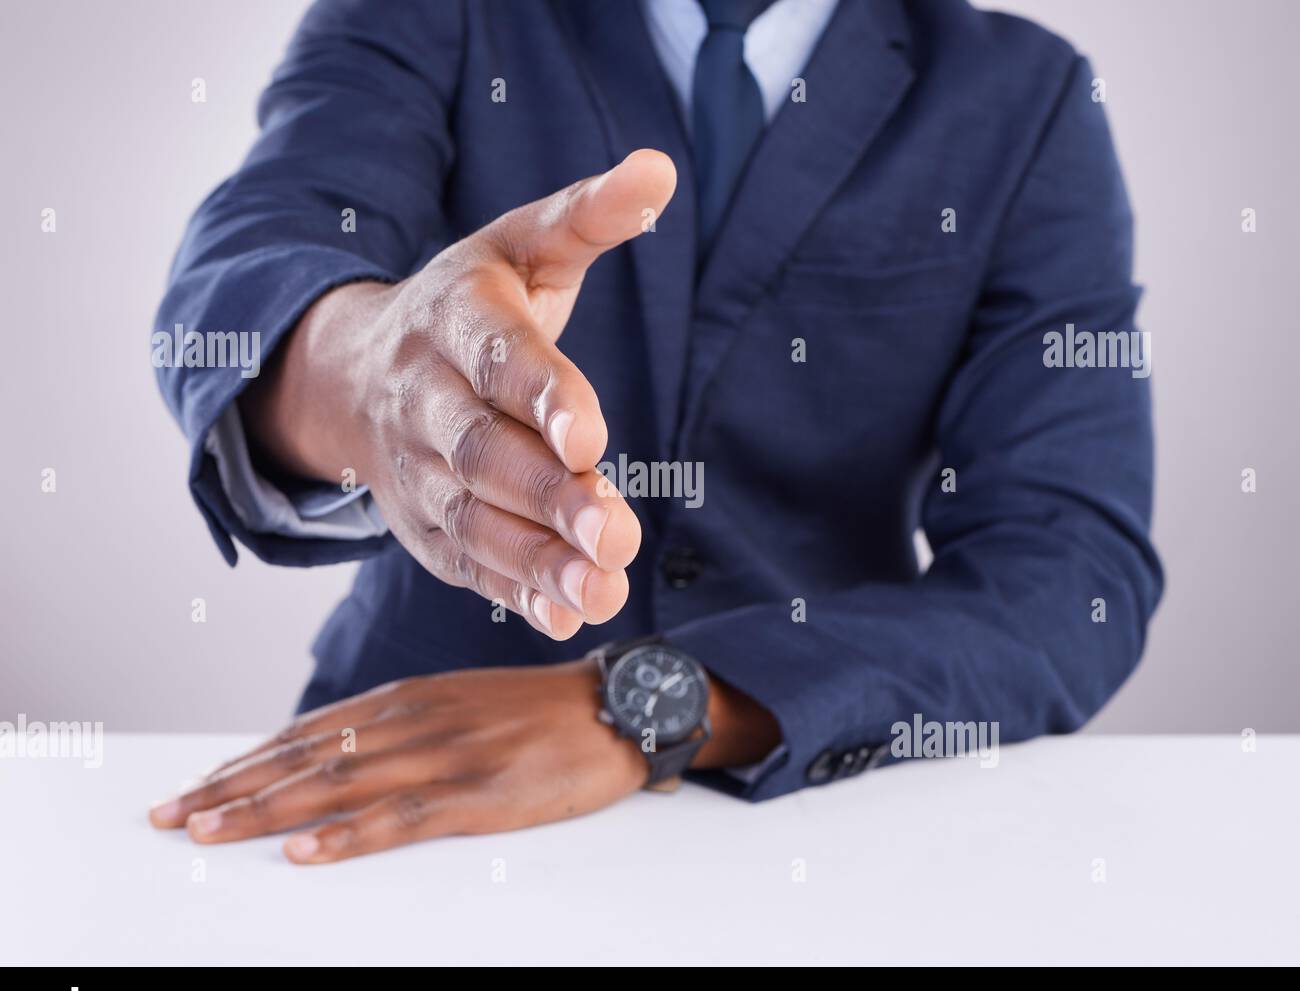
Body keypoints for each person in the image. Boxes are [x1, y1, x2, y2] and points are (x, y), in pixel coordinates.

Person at [149, 0, 1162, 863]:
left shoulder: (1023, 99)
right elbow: (255, 255)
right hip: (400, 794)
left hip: (816, 807)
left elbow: (1070, 571)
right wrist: (369, 374)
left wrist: (654, 704)